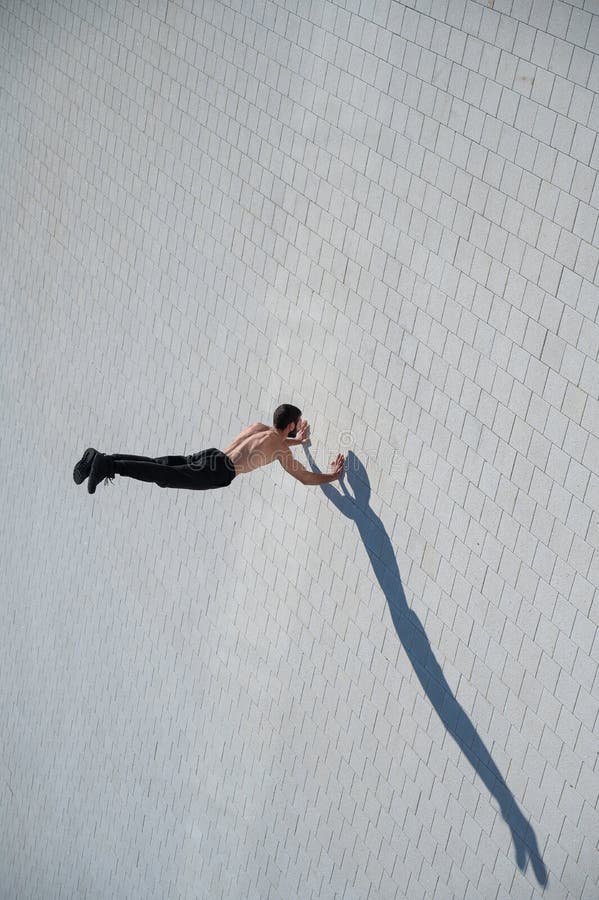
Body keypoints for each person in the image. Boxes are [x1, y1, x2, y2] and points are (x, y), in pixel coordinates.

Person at [73, 404, 345, 494]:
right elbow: (304, 477)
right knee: (163, 476)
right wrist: (333, 475)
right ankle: (108, 466)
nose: (299, 428)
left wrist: (298, 441)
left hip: (213, 456)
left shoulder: (260, 427)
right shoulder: (280, 451)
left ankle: (100, 458)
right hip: (218, 471)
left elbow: (269, 443)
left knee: (160, 465)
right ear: (290, 425)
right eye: (297, 425)